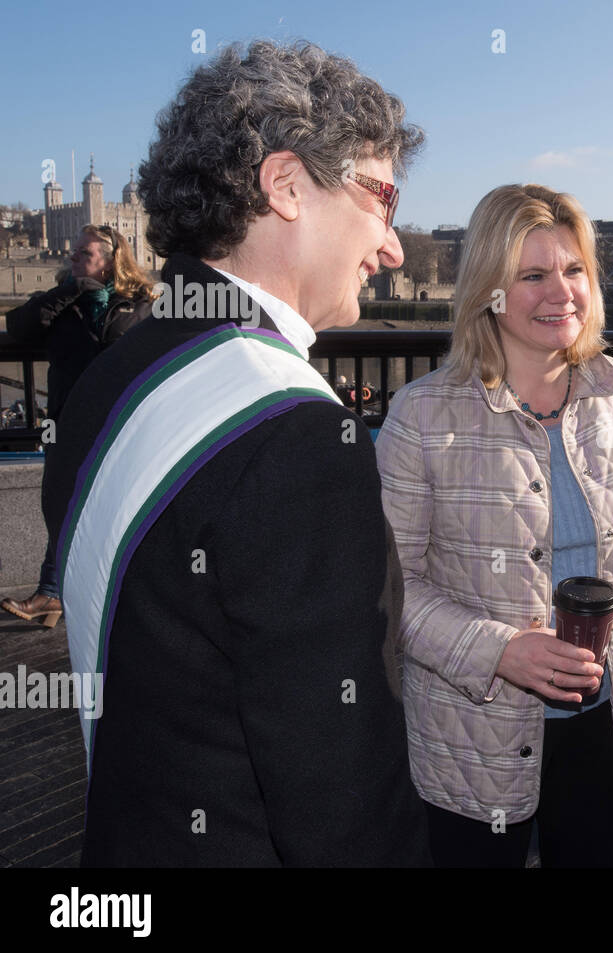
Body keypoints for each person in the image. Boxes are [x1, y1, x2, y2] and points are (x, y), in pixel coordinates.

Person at [41, 40, 430, 866]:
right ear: (286, 184)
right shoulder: (299, 443)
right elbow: (346, 806)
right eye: (382, 196)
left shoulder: (107, 382)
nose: (394, 247)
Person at [376, 183, 613, 867]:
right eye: (534, 274)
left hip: (612, 727)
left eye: (574, 269)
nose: (563, 292)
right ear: (490, 288)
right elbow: (393, 588)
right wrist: (498, 650)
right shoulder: (422, 417)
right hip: (475, 735)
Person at [2, 225, 153, 627]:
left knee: (121, 510)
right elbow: (18, 327)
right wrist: (70, 290)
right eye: (73, 252)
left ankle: (117, 597)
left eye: (84, 254)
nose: (73, 259)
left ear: (110, 261)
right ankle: (50, 594)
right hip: (68, 422)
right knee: (63, 508)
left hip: (122, 425)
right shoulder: (60, 303)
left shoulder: (140, 305)